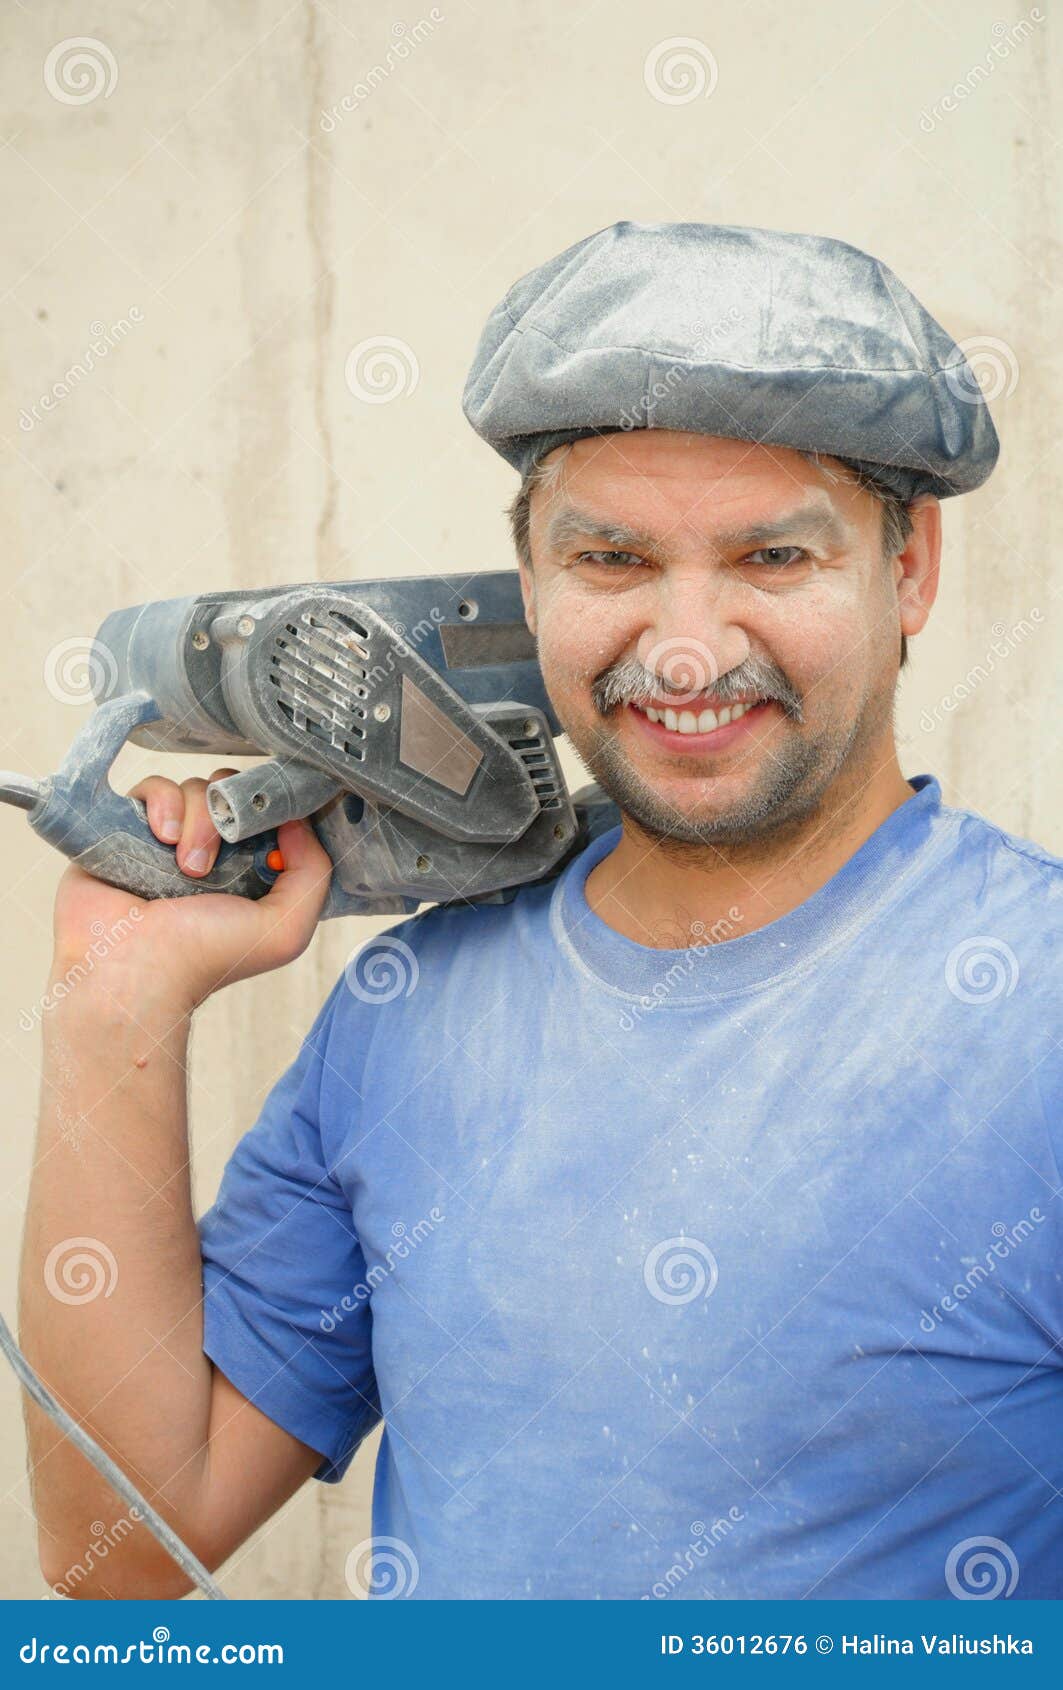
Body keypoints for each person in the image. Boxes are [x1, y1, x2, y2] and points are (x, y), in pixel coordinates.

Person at [21, 222, 1061, 1601]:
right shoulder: (403, 1012)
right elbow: (120, 1552)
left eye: (772, 557)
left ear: (910, 566)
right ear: (529, 580)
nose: (683, 651)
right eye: (612, 560)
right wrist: (112, 1009)